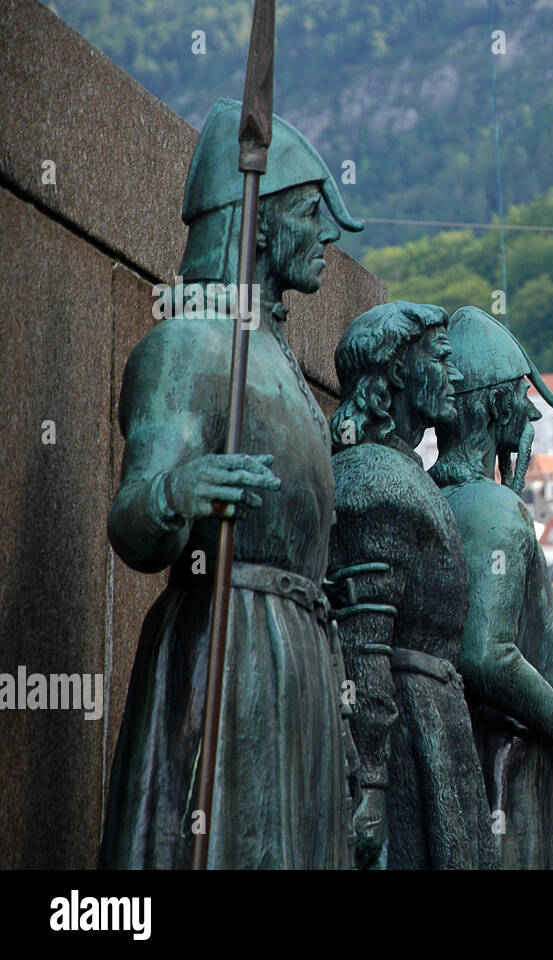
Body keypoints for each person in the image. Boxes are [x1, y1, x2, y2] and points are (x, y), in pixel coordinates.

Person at [101, 99, 362, 869]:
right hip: (230, 646)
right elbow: (132, 520)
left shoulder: (275, 357)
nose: (327, 237)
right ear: (260, 225)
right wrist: (178, 492)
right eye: (310, 214)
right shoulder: (189, 346)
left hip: (297, 663)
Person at [326, 301, 499, 869]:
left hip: (430, 726)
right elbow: (364, 644)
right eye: (441, 359)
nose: (455, 375)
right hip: (407, 736)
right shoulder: (375, 478)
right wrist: (371, 781)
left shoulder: (403, 473)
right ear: (399, 369)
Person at [431, 306, 553, 869]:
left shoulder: (442, 497)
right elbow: (487, 655)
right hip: (509, 768)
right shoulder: (493, 509)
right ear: (495, 405)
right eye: (520, 396)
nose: (530, 412)